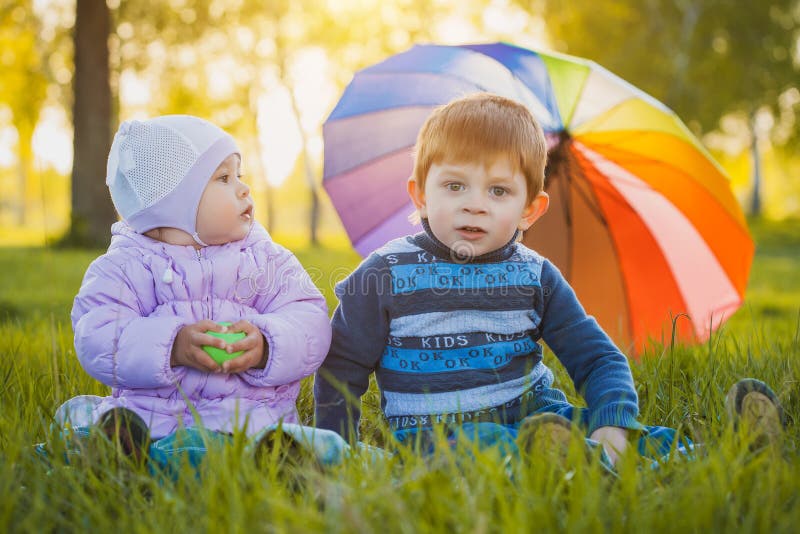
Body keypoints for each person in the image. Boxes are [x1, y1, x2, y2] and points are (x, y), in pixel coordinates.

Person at [313, 93, 785, 468]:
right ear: (420, 194)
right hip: (436, 439)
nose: (475, 204)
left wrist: (612, 424)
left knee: (637, 440)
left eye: (498, 191)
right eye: (455, 186)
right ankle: (571, 464)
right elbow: (341, 368)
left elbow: (597, 358)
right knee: (488, 445)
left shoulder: (535, 276)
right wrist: (338, 450)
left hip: (540, 416)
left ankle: (724, 452)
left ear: (529, 209)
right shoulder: (383, 275)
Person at [50, 115, 346, 472]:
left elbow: (310, 321)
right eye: (223, 178)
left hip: (250, 421)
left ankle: (279, 455)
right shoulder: (125, 267)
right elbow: (97, 335)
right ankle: (122, 449)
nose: (243, 189)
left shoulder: (267, 260)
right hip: (152, 422)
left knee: (307, 448)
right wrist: (172, 345)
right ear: (173, 203)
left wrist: (267, 344)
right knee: (137, 437)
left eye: (240, 175)